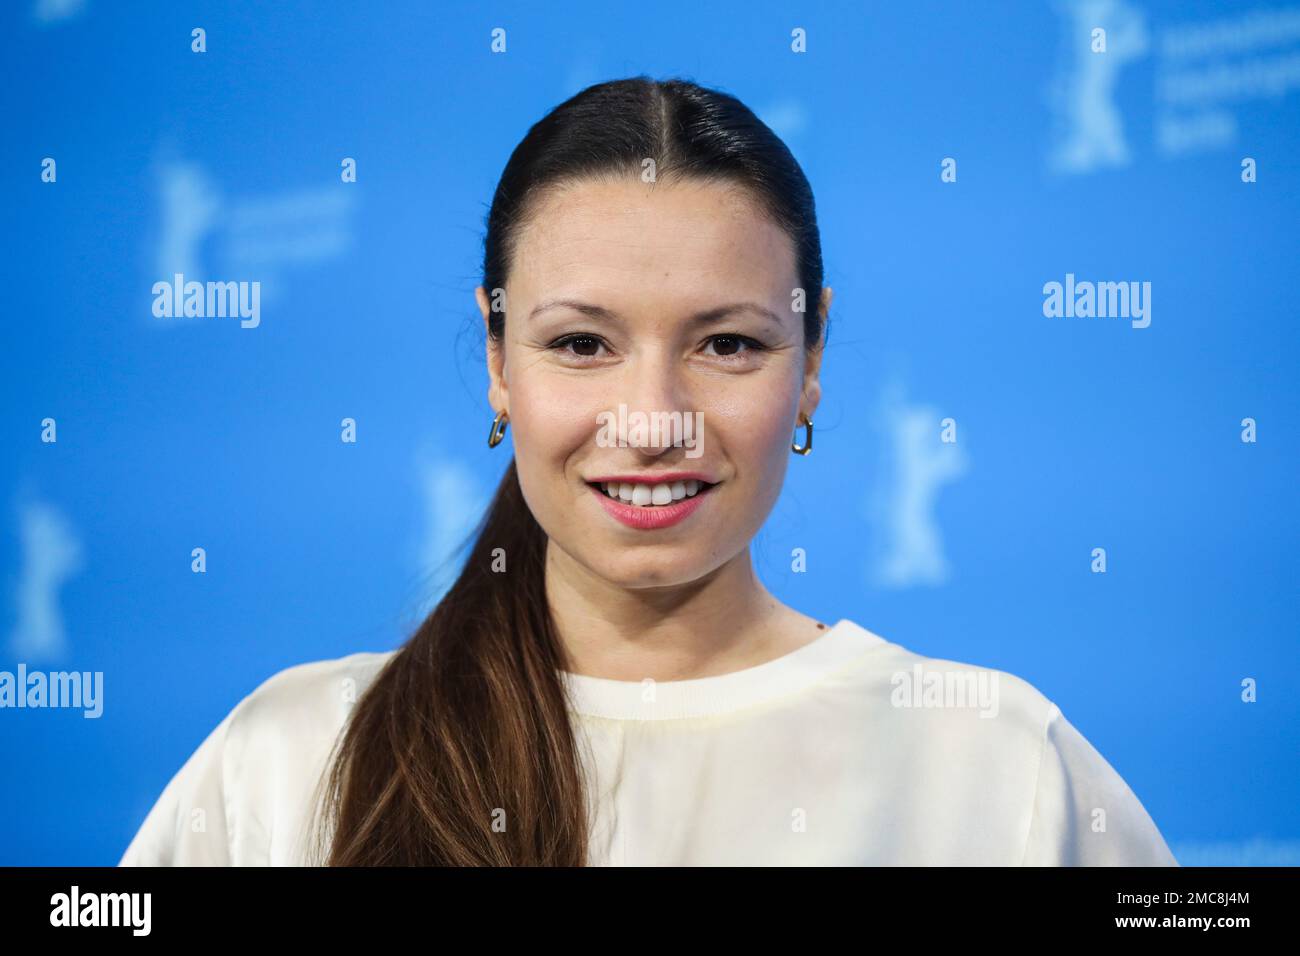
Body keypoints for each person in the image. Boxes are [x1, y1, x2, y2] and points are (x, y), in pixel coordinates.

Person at [118, 75, 1177, 867]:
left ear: (812, 359)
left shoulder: (995, 765)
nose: (653, 421)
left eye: (728, 344)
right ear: (497, 359)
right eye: (581, 344)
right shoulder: (289, 760)